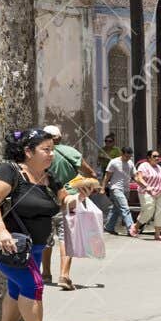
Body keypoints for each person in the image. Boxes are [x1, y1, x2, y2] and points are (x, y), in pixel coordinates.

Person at [0, 127, 73, 321]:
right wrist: (2, 232)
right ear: (28, 152)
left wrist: (77, 196)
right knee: (34, 285)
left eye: (52, 150)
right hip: (8, 244)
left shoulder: (49, 177)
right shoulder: (10, 171)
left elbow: (64, 199)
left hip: (34, 247)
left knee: (16, 289)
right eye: (46, 150)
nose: (51, 154)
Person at [43, 125, 95, 291]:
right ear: (60, 137)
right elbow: (90, 172)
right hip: (68, 199)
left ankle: (45, 273)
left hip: (44, 201)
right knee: (67, 237)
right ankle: (64, 275)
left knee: (46, 237)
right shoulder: (70, 152)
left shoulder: (40, 153)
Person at [103, 147, 139, 237]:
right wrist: (102, 187)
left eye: (130, 157)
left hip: (126, 189)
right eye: (126, 156)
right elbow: (107, 176)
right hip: (115, 188)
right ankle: (131, 228)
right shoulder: (114, 162)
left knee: (116, 209)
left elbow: (135, 176)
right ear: (122, 154)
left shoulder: (130, 163)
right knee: (125, 208)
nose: (128, 158)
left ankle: (109, 227)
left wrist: (143, 184)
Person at [136, 149, 161, 240]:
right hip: (147, 192)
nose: (157, 158)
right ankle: (136, 226)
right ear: (148, 157)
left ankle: (157, 235)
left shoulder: (160, 168)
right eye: (154, 156)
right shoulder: (143, 166)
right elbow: (139, 178)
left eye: (158, 156)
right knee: (149, 211)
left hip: (160, 192)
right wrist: (147, 186)